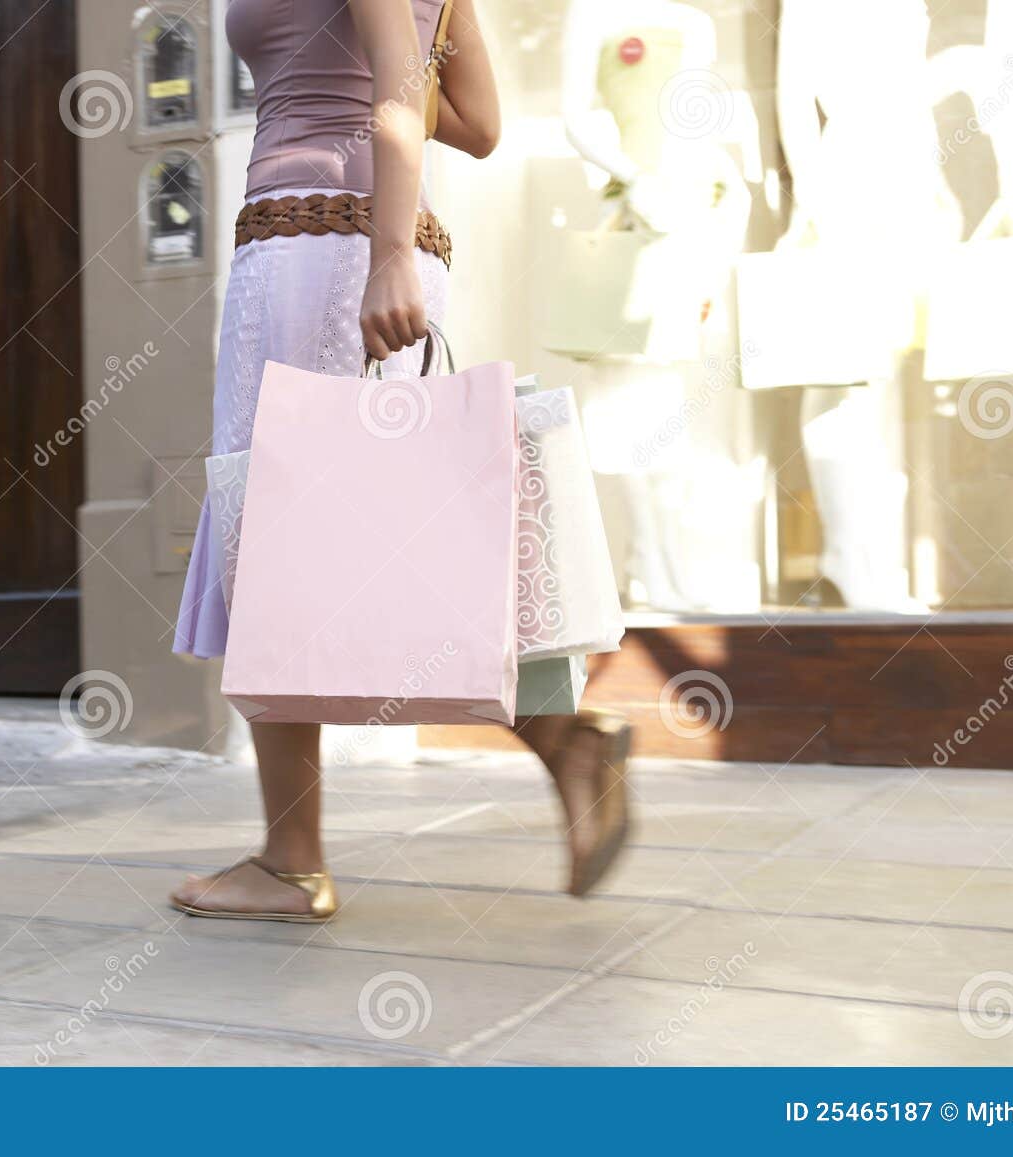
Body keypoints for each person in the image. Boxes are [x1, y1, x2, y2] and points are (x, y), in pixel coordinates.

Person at [170, 0, 631, 922]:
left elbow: (397, 90)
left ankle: (292, 860)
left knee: (276, 542)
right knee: (364, 536)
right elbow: (478, 121)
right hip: (366, 242)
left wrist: (385, 255)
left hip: (317, 246)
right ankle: (560, 741)